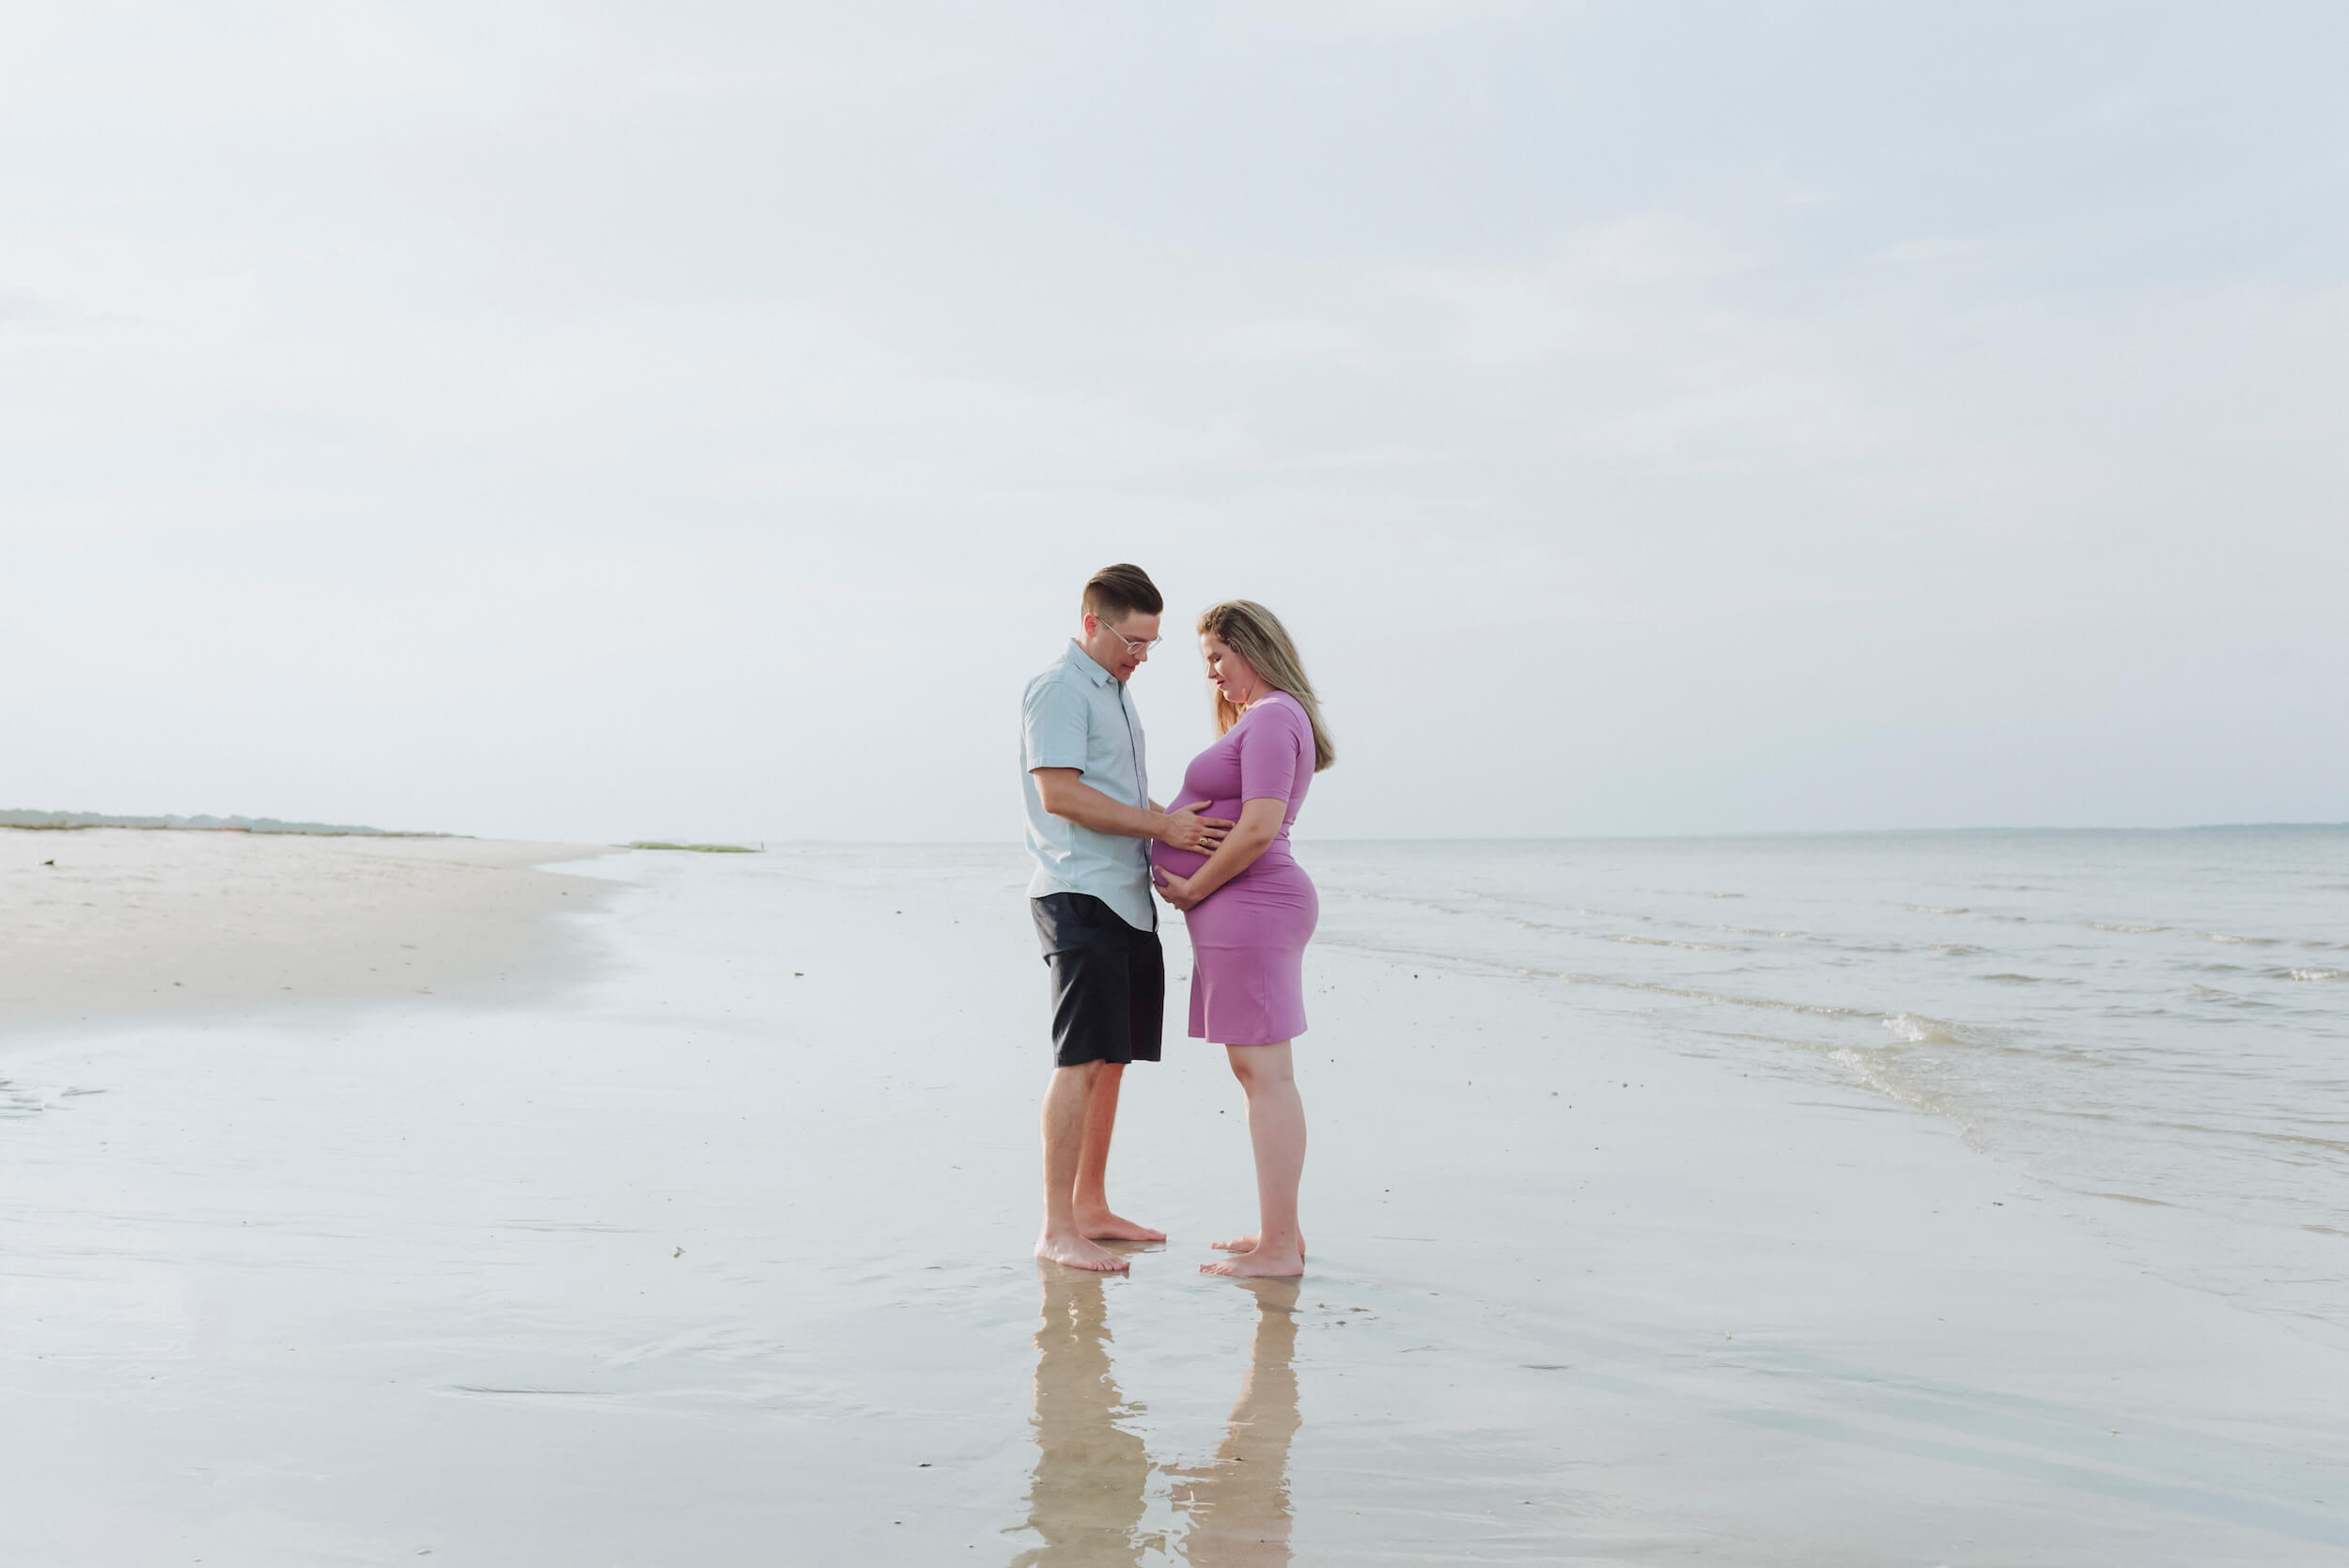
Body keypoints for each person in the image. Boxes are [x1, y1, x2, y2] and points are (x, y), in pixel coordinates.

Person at [1023, 563, 1235, 1273]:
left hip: (1126, 896)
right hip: (1077, 890)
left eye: (1151, 643)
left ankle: (1091, 1206)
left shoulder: (1116, 693)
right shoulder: (1058, 688)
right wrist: (1162, 829)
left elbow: (1114, 790)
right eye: (1131, 641)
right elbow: (1061, 795)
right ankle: (1057, 1227)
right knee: (1079, 1058)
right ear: (1093, 623)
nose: (1141, 656)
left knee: (1112, 1060)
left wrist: (1165, 837)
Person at [1149, 600, 1335, 1279]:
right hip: (1249, 911)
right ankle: (1278, 1230)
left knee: (1266, 1077)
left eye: (1217, 658)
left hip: (1252, 905)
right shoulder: (1270, 719)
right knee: (1261, 1074)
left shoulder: (1274, 716)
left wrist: (1195, 888)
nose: (1213, 675)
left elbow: (1258, 826)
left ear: (1253, 649)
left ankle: (1280, 1247)